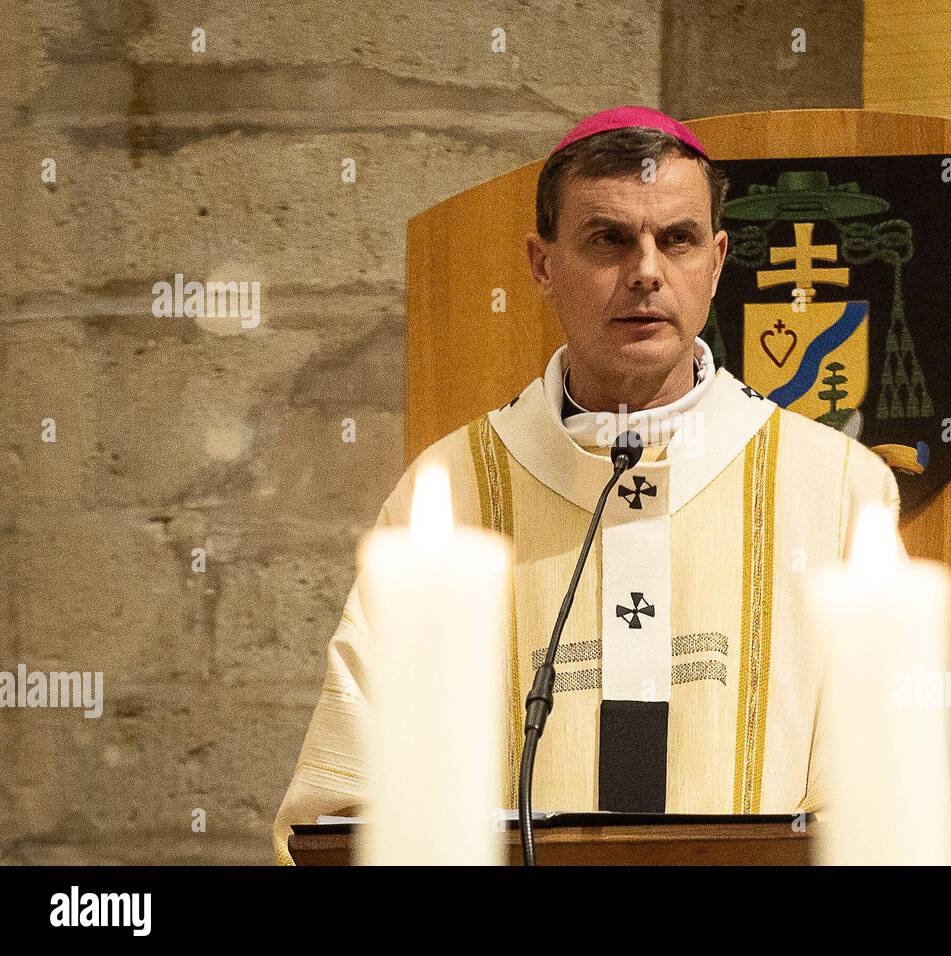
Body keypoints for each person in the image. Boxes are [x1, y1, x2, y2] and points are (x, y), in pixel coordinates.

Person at [272, 105, 905, 864]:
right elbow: (350, 808)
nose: (646, 270)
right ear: (542, 266)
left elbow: (882, 797)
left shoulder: (836, 488)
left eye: (678, 240)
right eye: (609, 239)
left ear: (716, 260)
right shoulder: (448, 495)